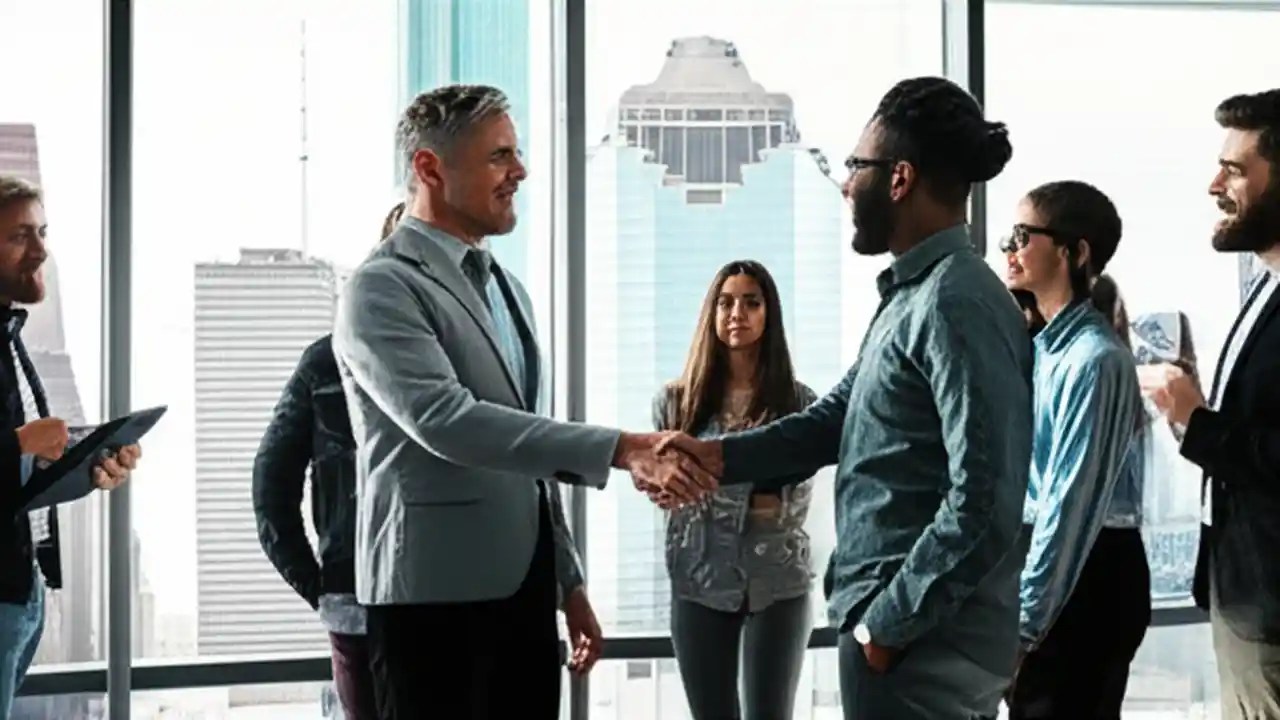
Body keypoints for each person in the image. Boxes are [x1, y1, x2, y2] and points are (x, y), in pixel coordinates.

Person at [652, 76, 1032, 720]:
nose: (845, 183)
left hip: (917, 643)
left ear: (900, 179)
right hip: (903, 637)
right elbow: (832, 421)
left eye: (854, 165)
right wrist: (713, 458)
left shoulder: (954, 302)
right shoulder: (912, 297)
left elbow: (985, 497)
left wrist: (885, 624)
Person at [332, 84, 716, 720]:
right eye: (499, 156)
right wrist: (622, 448)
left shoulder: (510, 291)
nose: (521, 171)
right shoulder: (381, 288)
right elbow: (445, 422)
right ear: (430, 167)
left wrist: (567, 581)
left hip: (522, 594)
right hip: (432, 607)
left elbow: (527, 447)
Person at [1142, 88, 1280, 719]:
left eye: (1234, 167)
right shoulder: (1264, 285)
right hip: (1245, 601)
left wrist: (1197, 421)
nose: (1213, 184)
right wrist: (1191, 415)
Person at [999, 182, 1150, 718]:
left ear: (1075, 251)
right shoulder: (1043, 350)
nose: (1007, 249)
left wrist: (1023, 628)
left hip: (1088, 579)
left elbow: (1069, 505)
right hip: (1061, 573)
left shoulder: (1095, 360)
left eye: (1022, 235)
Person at [251, 204, 405, 720]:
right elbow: (270, 487)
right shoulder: (325, 360)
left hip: (451, 606)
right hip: (361, 605)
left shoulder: (469, 355)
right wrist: (321, 590)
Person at [648, 260, 817, 720]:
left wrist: (703, 486)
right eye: (725, 302)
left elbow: (789, 504)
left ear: (768, 314)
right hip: (698, 575)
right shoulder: (675, 401)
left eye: (750, 302)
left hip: (777, 579)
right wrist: (751, 487)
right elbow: (667, 492)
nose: (736, 313)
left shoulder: (800, 402)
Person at [0, 176, 140, 715]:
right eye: (19, 235)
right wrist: (18, 441)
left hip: (21, 586)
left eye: (42, 231)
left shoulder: (10, 336)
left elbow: (23, 475)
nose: (40, 250)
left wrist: (87, 463)